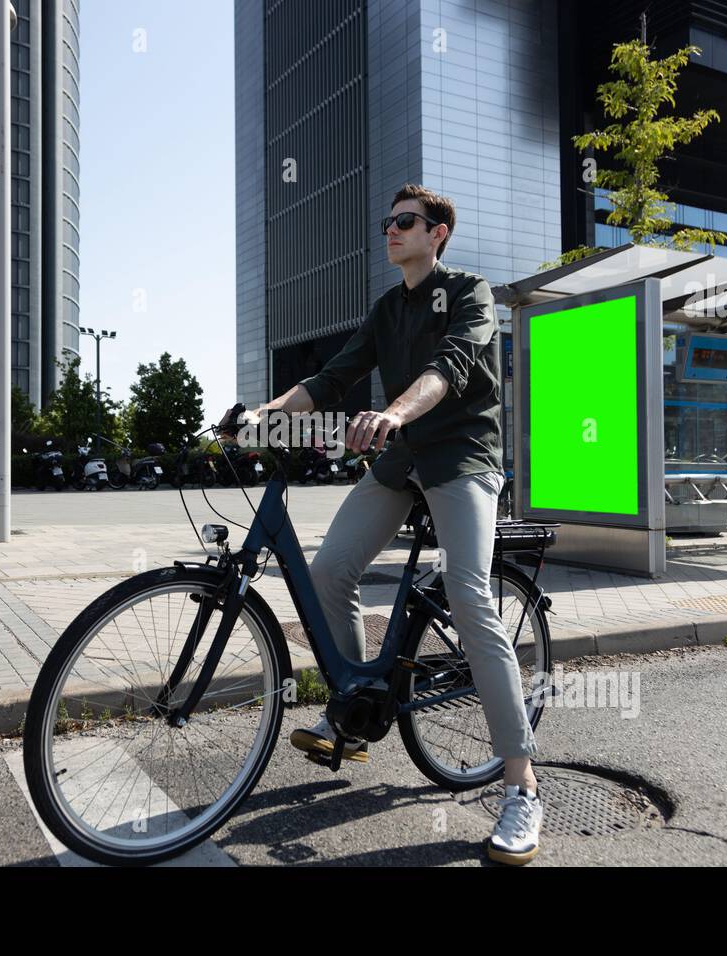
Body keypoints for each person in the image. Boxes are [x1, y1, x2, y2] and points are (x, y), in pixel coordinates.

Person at [223, 184, 543, 865]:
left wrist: (395, 412)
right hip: (402, 460)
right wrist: (263, 412)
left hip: (462, 458)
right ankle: (356, 706)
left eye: (405, 222)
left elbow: (449, 368)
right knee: (329, 568)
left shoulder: (469, 292)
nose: (391, 231)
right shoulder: (386, 308)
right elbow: (335, 377)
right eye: (387, 222)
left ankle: (521, 783)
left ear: (438, 233)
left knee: (467, 591)